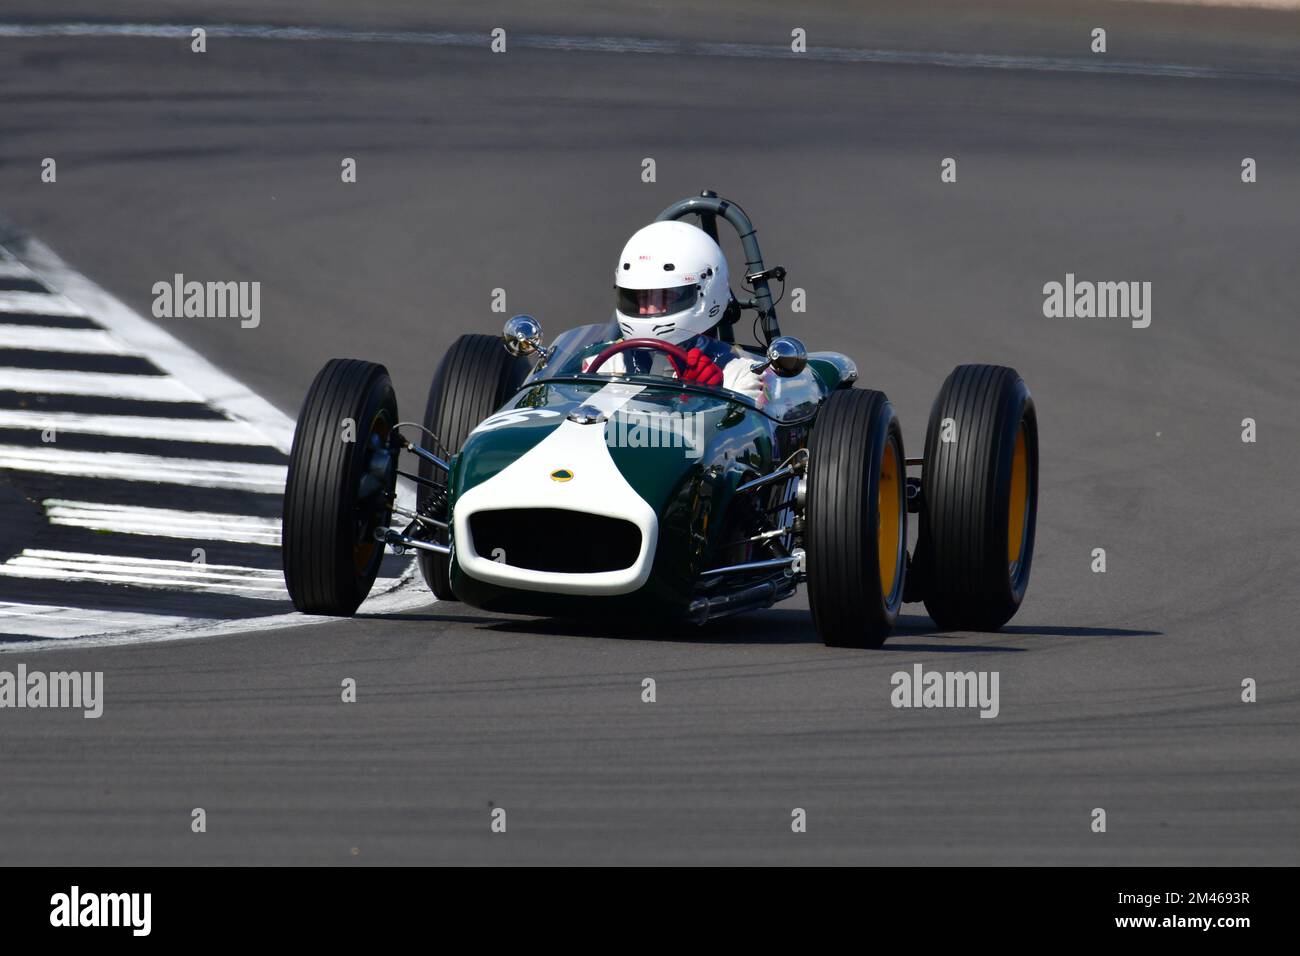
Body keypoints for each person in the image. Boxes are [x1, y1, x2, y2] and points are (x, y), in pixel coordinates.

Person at [581, 220, 764, 401]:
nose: (649, 310)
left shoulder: (742, 376)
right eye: (642, 298)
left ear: (706, 294)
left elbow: (750, 427)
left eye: (666, 298)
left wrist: (708, 401)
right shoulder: (605, 363)